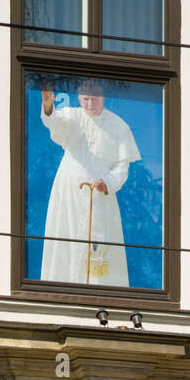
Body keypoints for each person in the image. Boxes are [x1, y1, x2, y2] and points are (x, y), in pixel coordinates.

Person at [38, 79, 141, 286]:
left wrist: (108, 183)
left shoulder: (118, 126)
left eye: (94, 99)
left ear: (103, 98)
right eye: (86, 99)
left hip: (100, 197)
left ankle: (98, 292)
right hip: (69, 194)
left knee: (99, 248)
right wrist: (48, 105)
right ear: (79, 98)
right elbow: (53, 121)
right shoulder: (72, 115)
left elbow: (122, 167)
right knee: (65, 237)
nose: (90, 104)